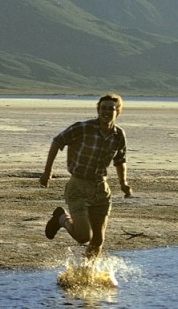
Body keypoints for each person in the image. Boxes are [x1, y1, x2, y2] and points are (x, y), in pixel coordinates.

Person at [40, 94, 132, 258]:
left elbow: (120, 160)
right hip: (78, 187)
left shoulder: (119, 135)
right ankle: (61, 218)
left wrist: (123, 182)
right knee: (84, 236)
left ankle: (86, 275)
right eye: (103, 108)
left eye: (111, 108)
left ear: (117, 112)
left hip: (101, 190)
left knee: (97, 241)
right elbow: (57, 142)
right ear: (98, 110)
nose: (106, 112)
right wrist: (47, 172)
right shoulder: (82, 128)